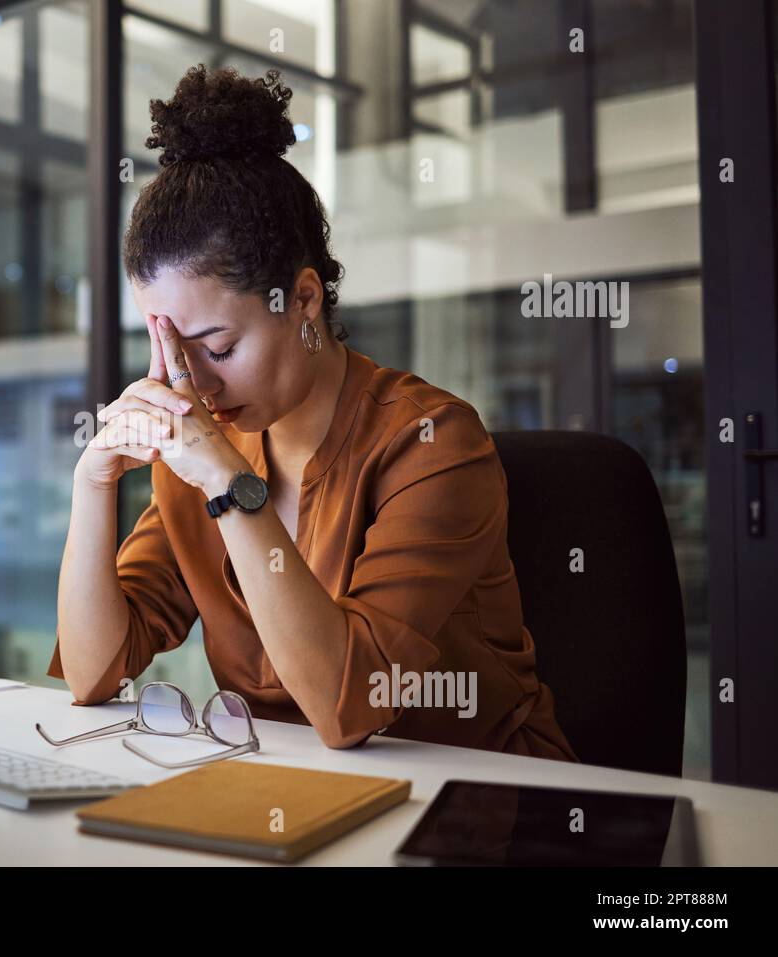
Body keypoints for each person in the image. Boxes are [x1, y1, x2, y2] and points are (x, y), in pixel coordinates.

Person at [48, 63, 577, 761]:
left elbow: (347, 705)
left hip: (485, 805)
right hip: (300, 797)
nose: (195, 387)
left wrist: (229, 487)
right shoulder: (202, 457)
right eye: (171, 350)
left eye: (217, 346)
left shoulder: (432, 442)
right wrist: (94, 478)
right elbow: (92, 674)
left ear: (301, 300)